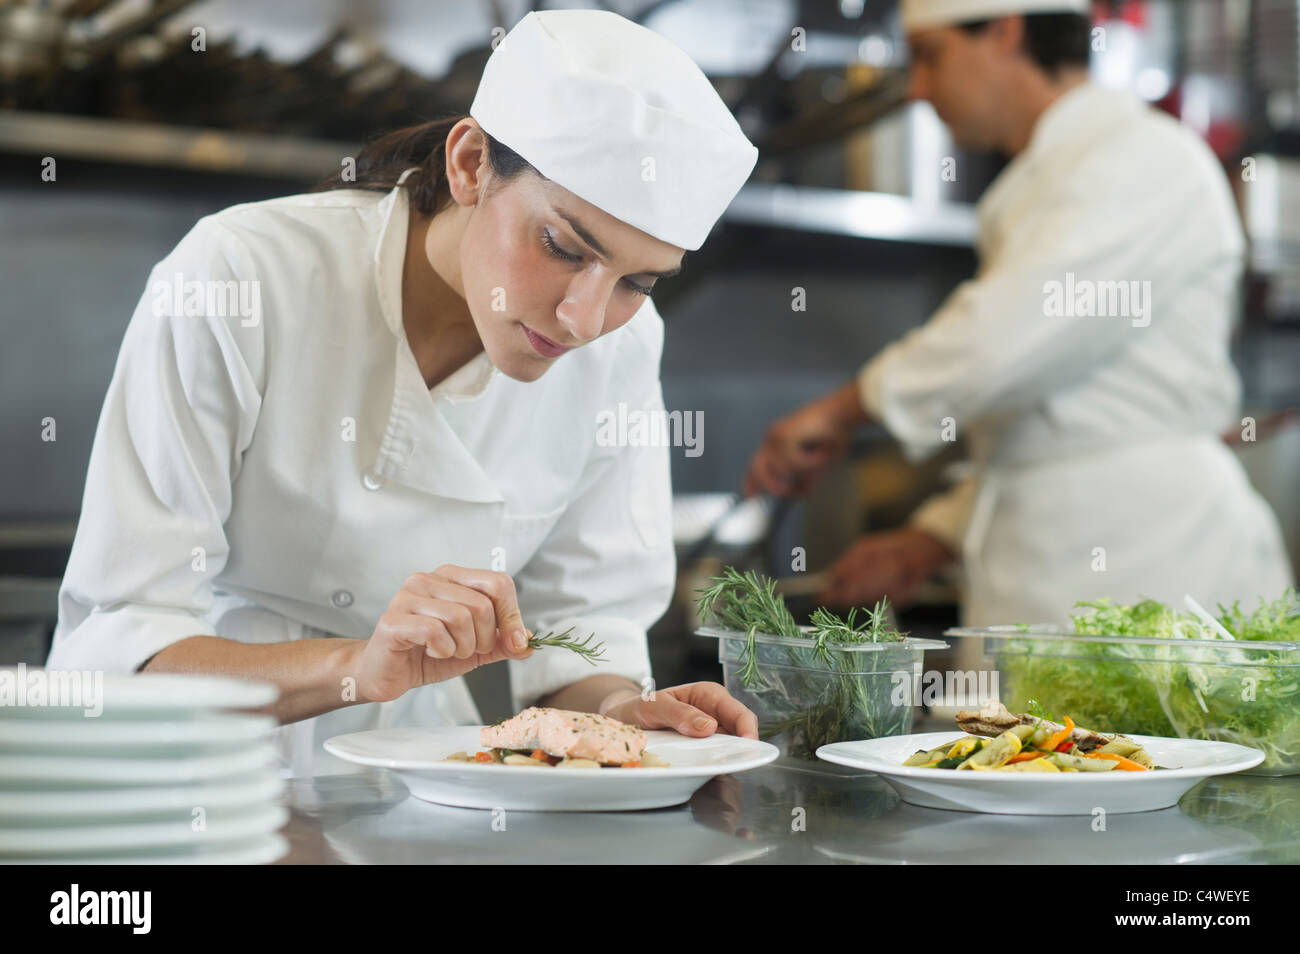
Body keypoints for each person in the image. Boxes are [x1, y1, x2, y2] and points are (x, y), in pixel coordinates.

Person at [48, 9, 761, 775]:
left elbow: (582, 629)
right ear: (470, 162)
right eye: (561, 246)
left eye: (639, 282)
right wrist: (359, 664)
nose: (585, 318)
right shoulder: (237, 277)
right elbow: (121, 646)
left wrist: (624, 711)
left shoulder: (623, 346)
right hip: (185, 773)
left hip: (417, 789)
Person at [744, 0, 1294, 629]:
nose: (918, 89)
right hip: (1054, 564)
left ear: (1006, 31)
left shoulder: (1139, 157)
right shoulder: (1054, 173)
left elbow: (1000, 343)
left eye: (930, 55)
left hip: (1153, 567)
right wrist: (933, 537)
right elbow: (1049, 421)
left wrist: (841, 410)